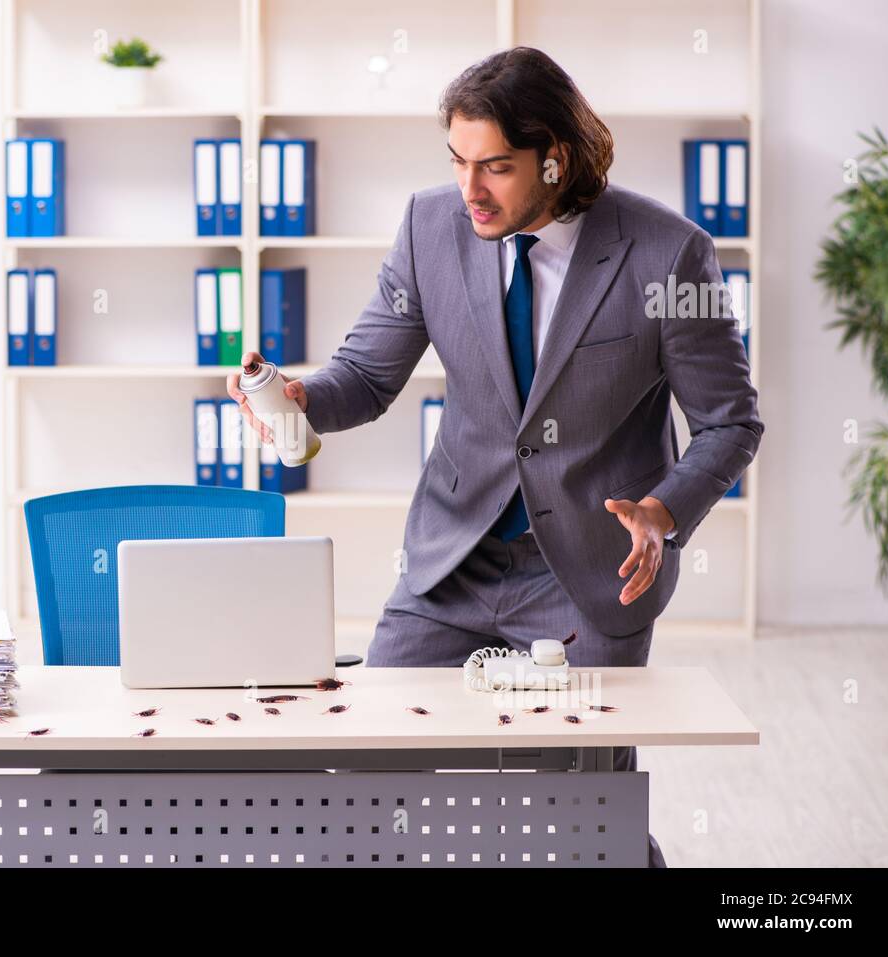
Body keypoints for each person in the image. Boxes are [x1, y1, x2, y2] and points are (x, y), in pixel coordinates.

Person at [228, 47, 764, 869]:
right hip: (450, 561)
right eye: (458, 162)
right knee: (369, 769)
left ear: (557, 159)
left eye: (496, 168)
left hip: (590, 570)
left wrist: (662, 510)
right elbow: (368, 375)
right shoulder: (429, 226)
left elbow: (729, 422)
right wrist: (304, 399)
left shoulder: (669, 254)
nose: (470, 190)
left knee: (582, 807)